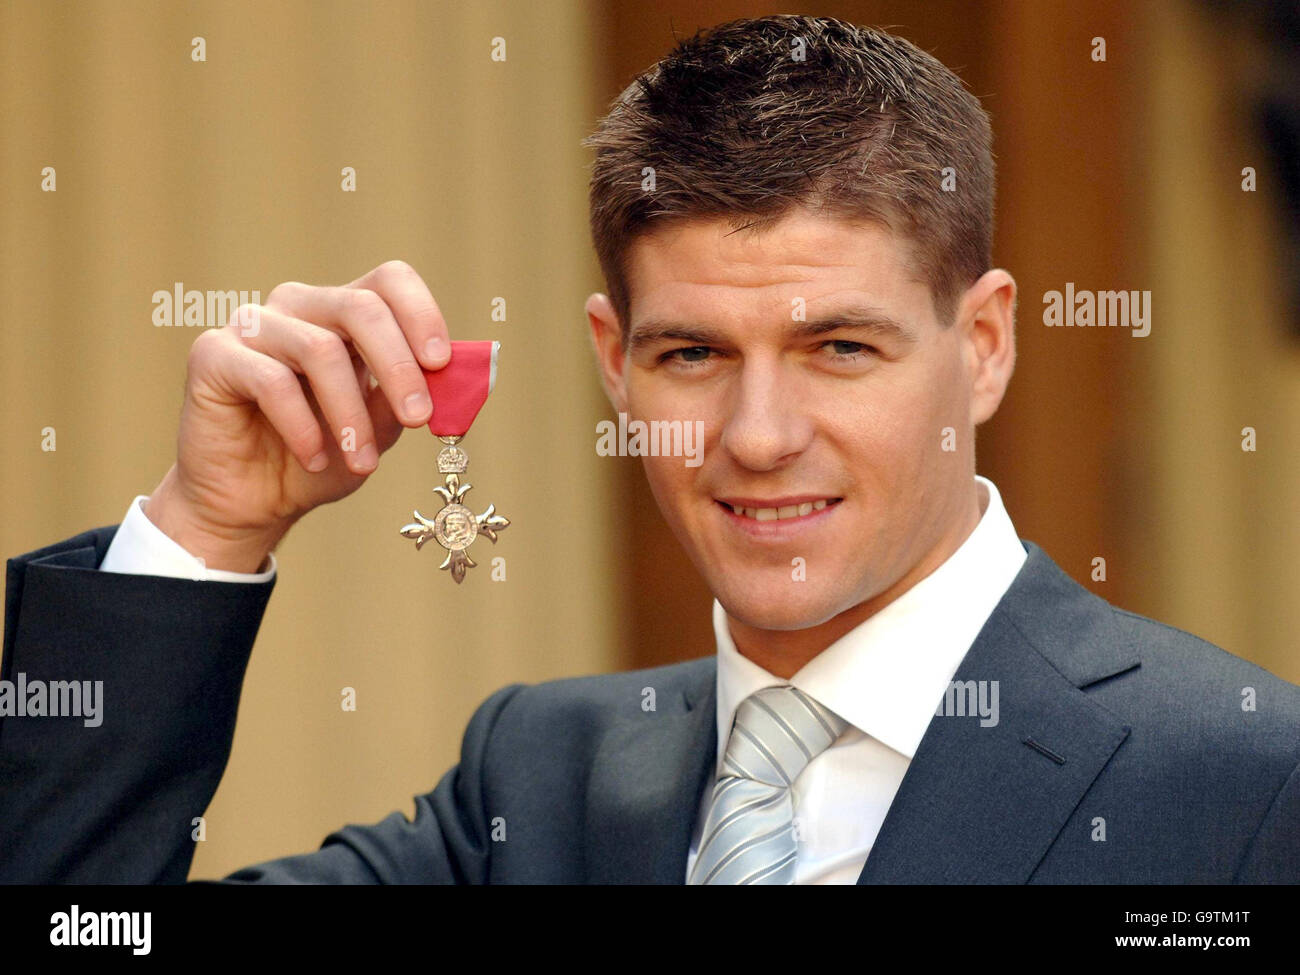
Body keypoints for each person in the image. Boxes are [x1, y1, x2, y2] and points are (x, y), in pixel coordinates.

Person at [2, 14, 1298, 885]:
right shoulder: (533, 784)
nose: (758, 437)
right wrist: (206, 527)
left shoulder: (1243, 780)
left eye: (841, 348)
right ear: (614, 361)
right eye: (693, 355)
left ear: (987, 344)